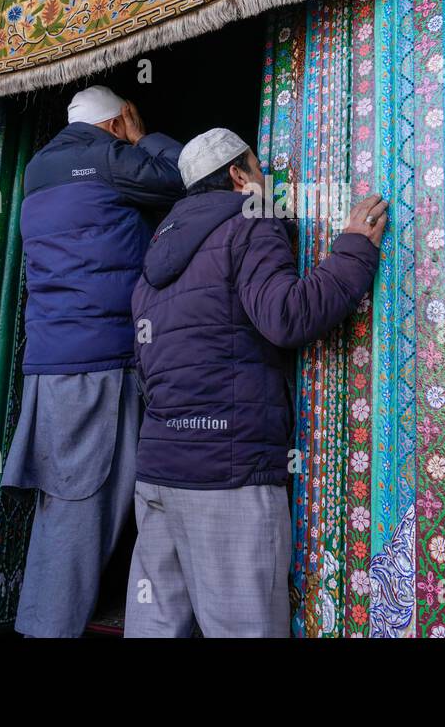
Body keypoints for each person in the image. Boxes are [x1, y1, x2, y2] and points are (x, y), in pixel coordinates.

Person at [123, 127, 387, 637]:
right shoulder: (249, 224)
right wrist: (352, 253)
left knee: (154, 626)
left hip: (157, 474)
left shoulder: (153, 262)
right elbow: (285, 317)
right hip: (226, 473)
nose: (268, 183)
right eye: (261, 170)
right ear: (238, 177)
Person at [4, 84, 184, 637]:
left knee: (67, 505)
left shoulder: (38, 168)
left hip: (56, 364)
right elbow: (192, 175)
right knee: (85, 513)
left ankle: (42, 625)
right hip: (98, 364)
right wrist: (143, 135)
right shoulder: (106, 155)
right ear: (113, 125)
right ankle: (50, 629)